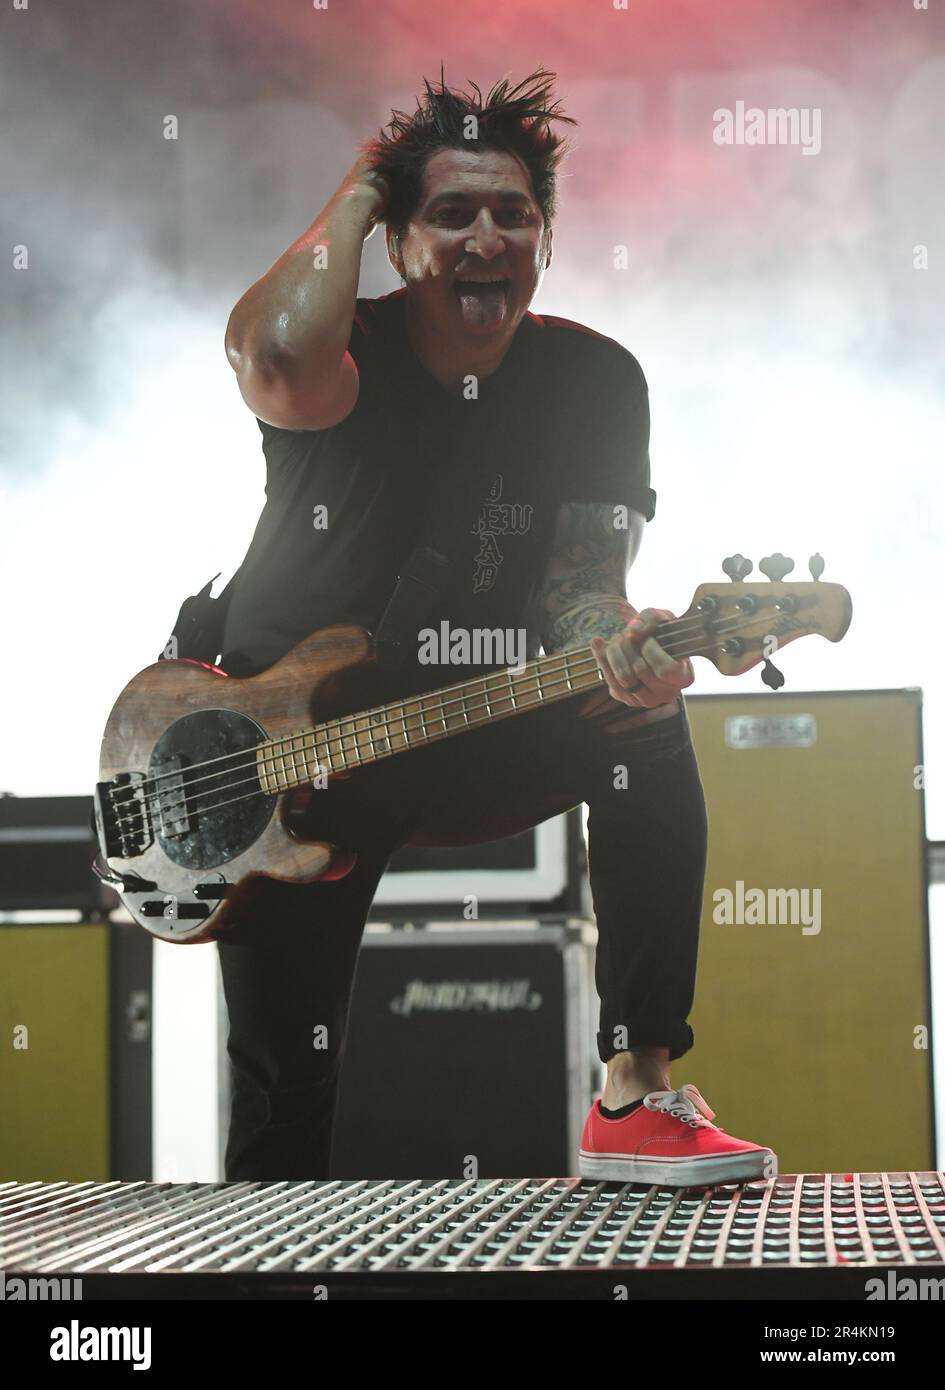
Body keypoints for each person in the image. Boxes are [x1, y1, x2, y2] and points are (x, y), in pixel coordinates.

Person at [218, 66, 776, 1187]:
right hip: (285, 748)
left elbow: (581, 580)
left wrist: (619, 643)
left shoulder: (594, 381)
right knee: (287, 1092)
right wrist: (360, 190)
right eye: (452, 212)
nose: (486, 237)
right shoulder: (343, 356)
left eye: (513, 214)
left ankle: (636, 1087)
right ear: (398, 238)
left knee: (640, 729)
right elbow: (270, 358)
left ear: (548, 240)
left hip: (469, 716)